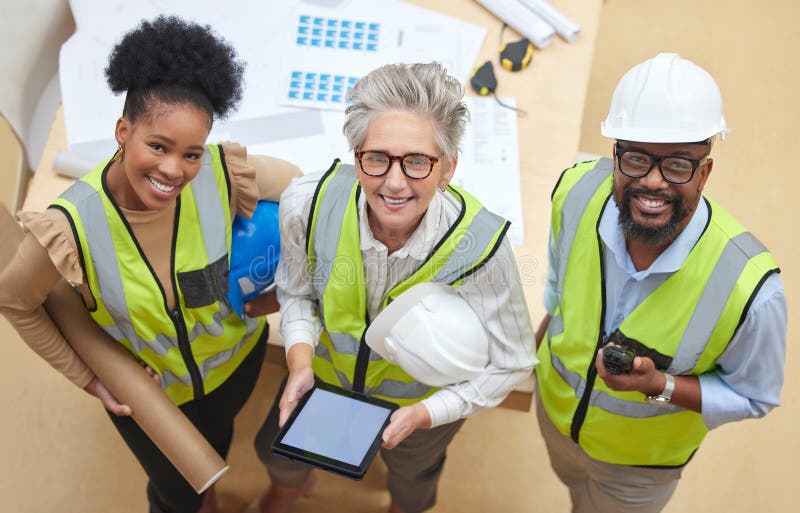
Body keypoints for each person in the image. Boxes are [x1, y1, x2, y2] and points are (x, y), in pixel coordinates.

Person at [0, 16, 301, 513]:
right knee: (178, 497)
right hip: (150, 396)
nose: (173, 170)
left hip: (233, 367)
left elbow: (308, 194)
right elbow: (15, 301)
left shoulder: (223, 173)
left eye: (190, 153)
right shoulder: (70, 225)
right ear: (123, 130)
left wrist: (291, 283)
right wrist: (89, 377)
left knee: (218, 444)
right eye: (157, 146)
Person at [249, 62, 537, 513]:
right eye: (377, 158)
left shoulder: (483, 249)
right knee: (277, 451)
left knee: (413, 479)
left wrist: (429, 413)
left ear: (448, 169)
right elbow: (297, 293)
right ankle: (287, 489)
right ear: (356, 155)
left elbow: (512, 363)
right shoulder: (307, 204)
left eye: (418, 161)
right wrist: (299, 357)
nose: (394, 182)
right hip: (325, 381)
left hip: (421, 406)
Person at [534, 52, 787, 513]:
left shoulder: (751, 287)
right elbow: (557, 289)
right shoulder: (574, 192)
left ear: (704, 172)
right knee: (574, 493)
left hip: (638, 468)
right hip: (554, 416)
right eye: (636, 158)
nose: (652, 182)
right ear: (615, 156)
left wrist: (660, 385)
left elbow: (755, 396)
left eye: (677, 166)